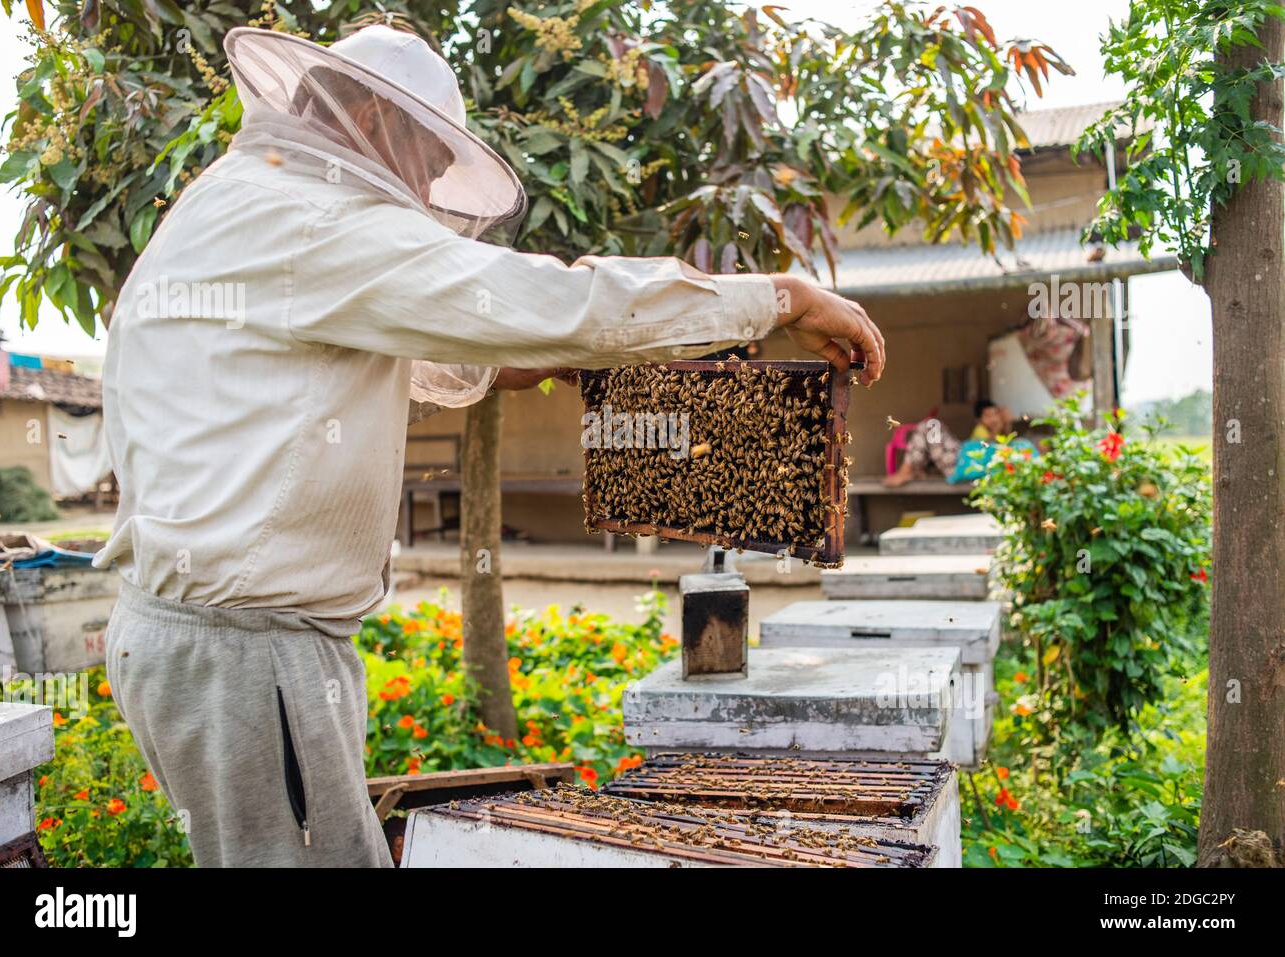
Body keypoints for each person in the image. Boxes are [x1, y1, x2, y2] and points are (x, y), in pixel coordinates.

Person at [93, 24, 885, 867]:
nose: (433, 179)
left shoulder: (242, 200)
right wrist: (780, 297)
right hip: (246, 654)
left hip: (210, 639)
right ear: (363, 111)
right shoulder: (312, 218)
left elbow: (441, 349)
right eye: (428, 154)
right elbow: (554, 301)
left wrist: (562, 360)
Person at [882, 399, 1011, 487]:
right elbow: (989, 446)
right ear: (979, 420)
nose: (993, 419)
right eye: (987, 416)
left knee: (929, 425)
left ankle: (908, 470)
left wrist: (1003, 426)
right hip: (959, 458)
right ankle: (908, 470)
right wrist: (1000, 426)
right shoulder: (981, 430)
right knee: (931, 425)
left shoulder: (998, 431)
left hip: (957, 463)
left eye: (994, 414)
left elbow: (996, 448)